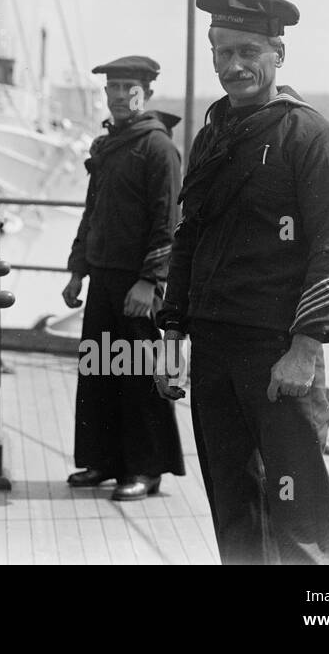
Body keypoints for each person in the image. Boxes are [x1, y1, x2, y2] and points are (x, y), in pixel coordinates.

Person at [155, 0, 329, 565]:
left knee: (300, 514)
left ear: (278, 54)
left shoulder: (311, 137)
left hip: (277, 353)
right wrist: (172, 335)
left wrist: (305, 348)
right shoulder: (212, 137)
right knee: (234, 506)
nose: (235, 66)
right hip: (215, 349)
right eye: (223, 52)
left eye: (249, 51)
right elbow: (189, 237)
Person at [62, 55, 186, 501]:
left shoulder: (158, 148)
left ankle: (145, 469)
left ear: (147, 93)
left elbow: (167, 222)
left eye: (128, 88)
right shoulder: (109, 145)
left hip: (137, 286)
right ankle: (105, 461)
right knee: (98, 371)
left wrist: (150, 282)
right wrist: (78, 270)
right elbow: (92, 212)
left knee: (138, 377)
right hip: (103, 279)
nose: (118, 95)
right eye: (112, 87)